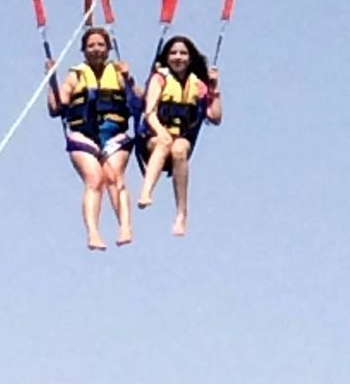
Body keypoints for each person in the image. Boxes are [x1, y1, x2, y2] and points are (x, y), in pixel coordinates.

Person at [46, 26, 139, 250]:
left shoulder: (118, 73)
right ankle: (93, 233)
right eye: (91, 45)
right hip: (83, 135)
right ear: (84, 50)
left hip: (114, 135)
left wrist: (129, 79)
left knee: (114, 177)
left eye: (100, 45)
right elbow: (56, 108)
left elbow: (140, 101)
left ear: (108, 49)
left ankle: (125, 227)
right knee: (94, 179)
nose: (96, 49)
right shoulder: (75, 75)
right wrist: (51, 80)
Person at [137, 34, 222, 236]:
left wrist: (213, 89)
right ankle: (146, 191)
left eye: (183, 53)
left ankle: (181, 214)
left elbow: (215, 117)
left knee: (179, 148)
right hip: (154, 138)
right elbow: (149, 112)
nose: (178, 57)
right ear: (166, 57)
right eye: (173, 53)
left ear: (190, 59)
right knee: (165, 143)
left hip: (181, 139)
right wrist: (161, 132)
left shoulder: (198, 85)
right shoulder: (159, 79)